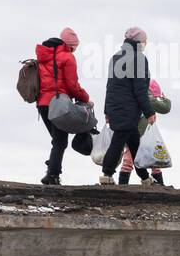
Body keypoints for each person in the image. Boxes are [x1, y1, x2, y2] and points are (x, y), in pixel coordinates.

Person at [35, 27, 94, 185]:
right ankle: (52, 175)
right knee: (60, 141)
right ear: (70, 45)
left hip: (42, 104)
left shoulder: (44, 56)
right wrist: (86, 99)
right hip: (58, 104)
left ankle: (53, 167)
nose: (75, 50)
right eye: (75, 46)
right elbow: (73, 85)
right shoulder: (67, 57)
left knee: (57, 140)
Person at [101, 27, 156, 186]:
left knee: (134, 143)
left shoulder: (115, 57)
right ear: (139, 42)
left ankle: (145, 178)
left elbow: (109, 86)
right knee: (118, 141)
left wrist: (107, 110)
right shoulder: (139, 58)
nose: (146, 44)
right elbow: (140, 89)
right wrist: (149, 112)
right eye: (145, 41)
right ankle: (107, 174)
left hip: (115, 106)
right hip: (129, 108)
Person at [117, 79, 172, 185]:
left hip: (132, 135)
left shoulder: (132, 98)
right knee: (154, 162)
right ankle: (159, 185)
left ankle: (122, 185)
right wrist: (163, 98)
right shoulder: (149, 100)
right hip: (147, 138)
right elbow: (165, 108)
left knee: (128, 161)